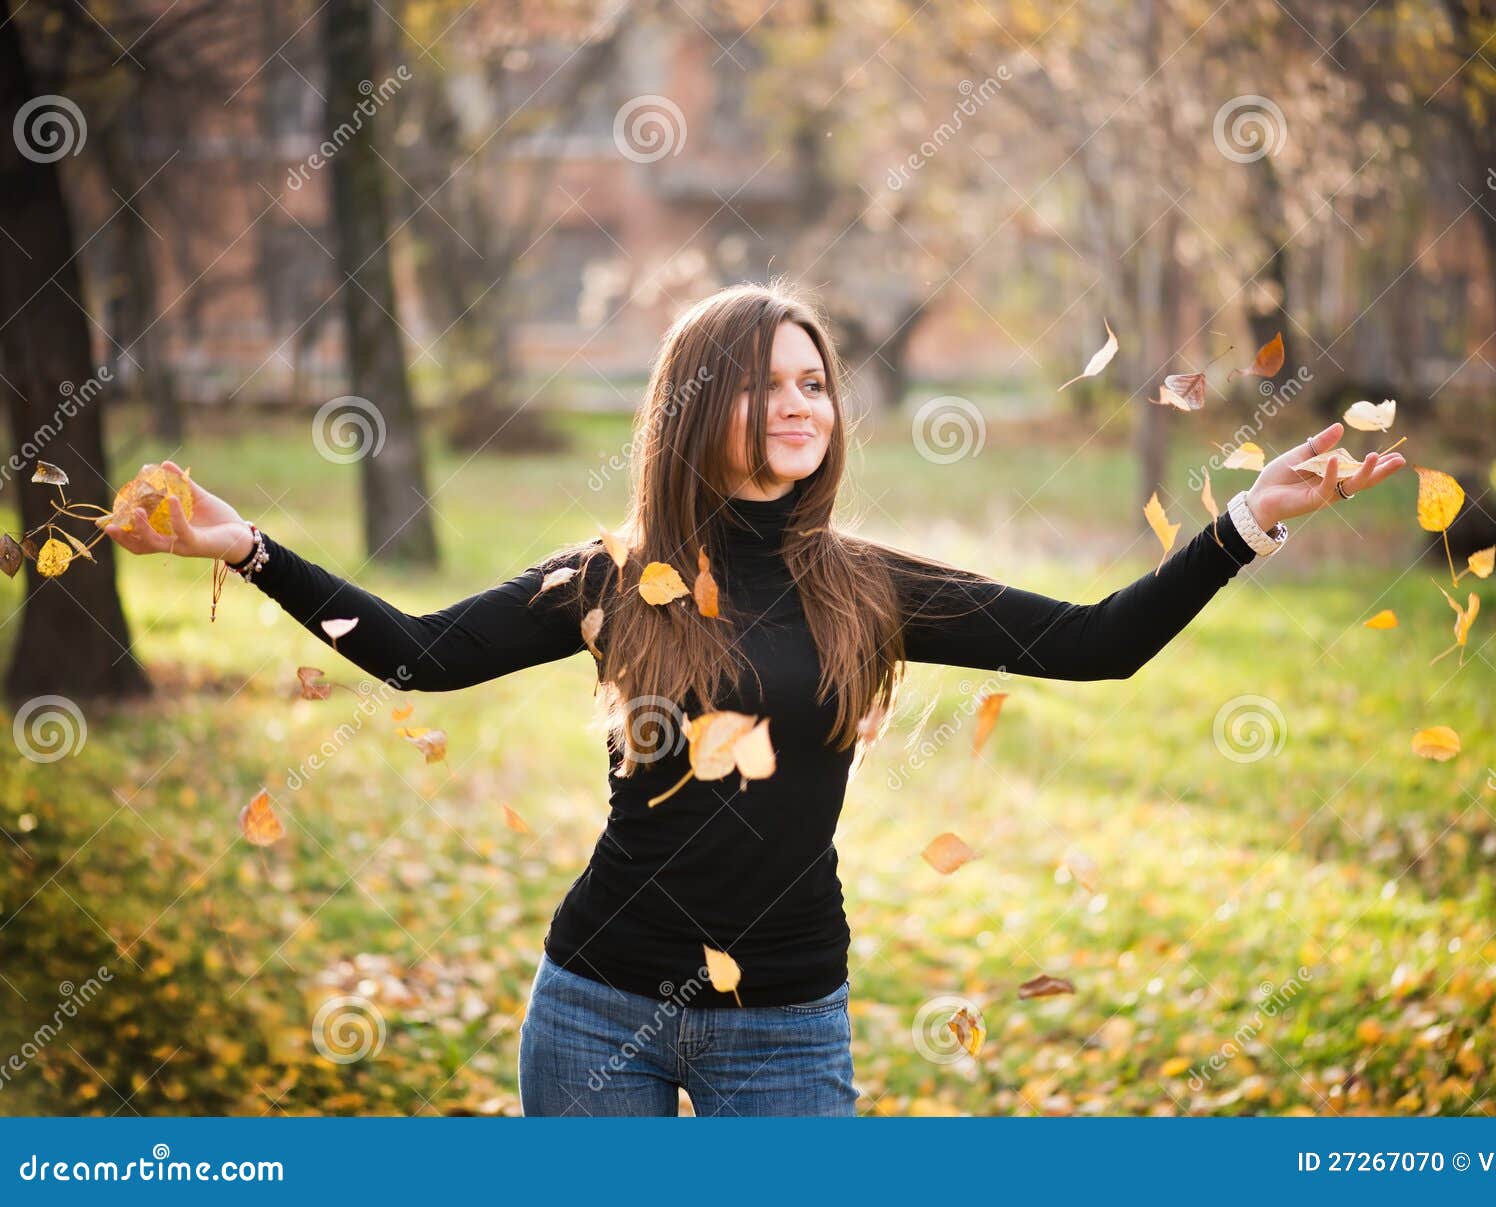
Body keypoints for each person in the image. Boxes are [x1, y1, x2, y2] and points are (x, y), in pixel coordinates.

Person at [96, 280, 1407, 1116]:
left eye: (815, 382)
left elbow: (1098, 643)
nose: (801, 405)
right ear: (695, 403)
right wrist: (246, 550)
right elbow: (416, 655)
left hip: (786, 1026)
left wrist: (1245, 521)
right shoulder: (613, 576)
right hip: (595, 1011)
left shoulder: (866, 585)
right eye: (768, 381)